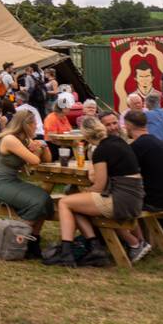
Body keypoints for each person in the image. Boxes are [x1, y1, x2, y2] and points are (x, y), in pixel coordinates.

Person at [44, 114, 143, 267]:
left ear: (86, 136)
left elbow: (99, 185)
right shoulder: (117, 141)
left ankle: (66, 253)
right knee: (75, 205)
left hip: (120, 201)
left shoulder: (101, 151)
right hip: (134, 197)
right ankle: (94, 248)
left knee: (64, 202)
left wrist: (85, 192)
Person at [0, 109, 53, 258]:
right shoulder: (10, 139)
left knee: (45, 199)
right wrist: (36, 149)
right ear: (27, 125)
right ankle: (17, 241)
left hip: (10, 181)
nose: (36, 127)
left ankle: (33, 242)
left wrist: (43, 145)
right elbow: (35, 161)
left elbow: (47, 160)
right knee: (37, 202)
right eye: (35, 124)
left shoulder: (23, 140)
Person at [125, 109, 163, 217]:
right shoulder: (158, 143)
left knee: (115, 203)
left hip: (153, 202)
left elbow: (124, 174)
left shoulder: (137, 147)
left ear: (128, 125)